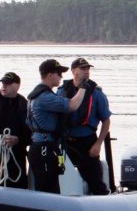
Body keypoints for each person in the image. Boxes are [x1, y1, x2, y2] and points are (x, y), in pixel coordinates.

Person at [26, 59, 91, 194]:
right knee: (47, 188)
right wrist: (83, 88)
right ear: (50, 75)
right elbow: (73, 105)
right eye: (59, 73)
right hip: (44, 148)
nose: (61, 77)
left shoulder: (38, 94)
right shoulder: (45, 97)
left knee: (51, 186)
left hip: (44, 147)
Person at [58, 57, 113, 195]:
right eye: (83, 69)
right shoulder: (61, 91)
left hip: (87, 143)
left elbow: (106, 121)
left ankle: (102, 202)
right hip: (66, 143)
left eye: (88, 68)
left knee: (94, 179)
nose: (86, 71)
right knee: (59, 172)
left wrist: (98, 144)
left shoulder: (97, 94)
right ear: (73, 70)